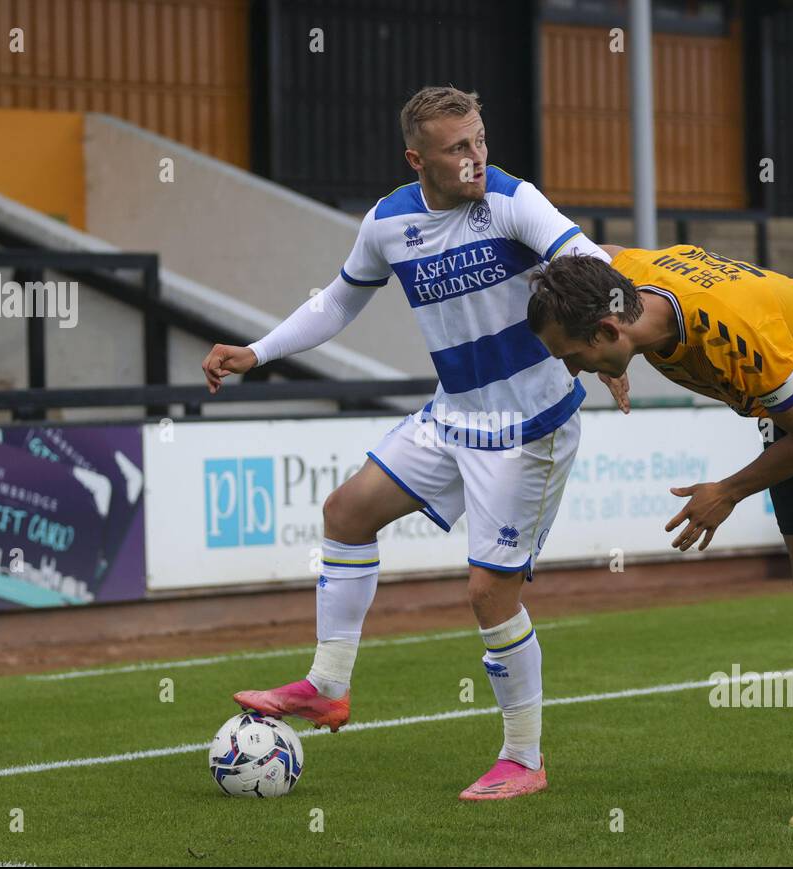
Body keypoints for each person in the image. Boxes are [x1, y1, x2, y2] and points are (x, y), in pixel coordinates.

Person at [200, 87, 626, 801]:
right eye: (458, 148)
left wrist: (618, 344)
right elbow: (338, 299)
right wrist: (257, 351)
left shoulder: (512, 201)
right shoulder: (389, 222)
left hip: (528, 430)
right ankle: (328, 686)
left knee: (489, 592)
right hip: (453, 415)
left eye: (480, 140)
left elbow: (591, 263)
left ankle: (523, 758)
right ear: (417, 158)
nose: (476, 158)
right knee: (345, 513)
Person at [525, 245, 793, 826]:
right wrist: (618, 358)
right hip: (788, 395)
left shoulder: (732, 333)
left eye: (575, 355)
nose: (573, 367)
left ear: (608, 327)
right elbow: (584, 256)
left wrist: (727, 491)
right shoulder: (620, 276)